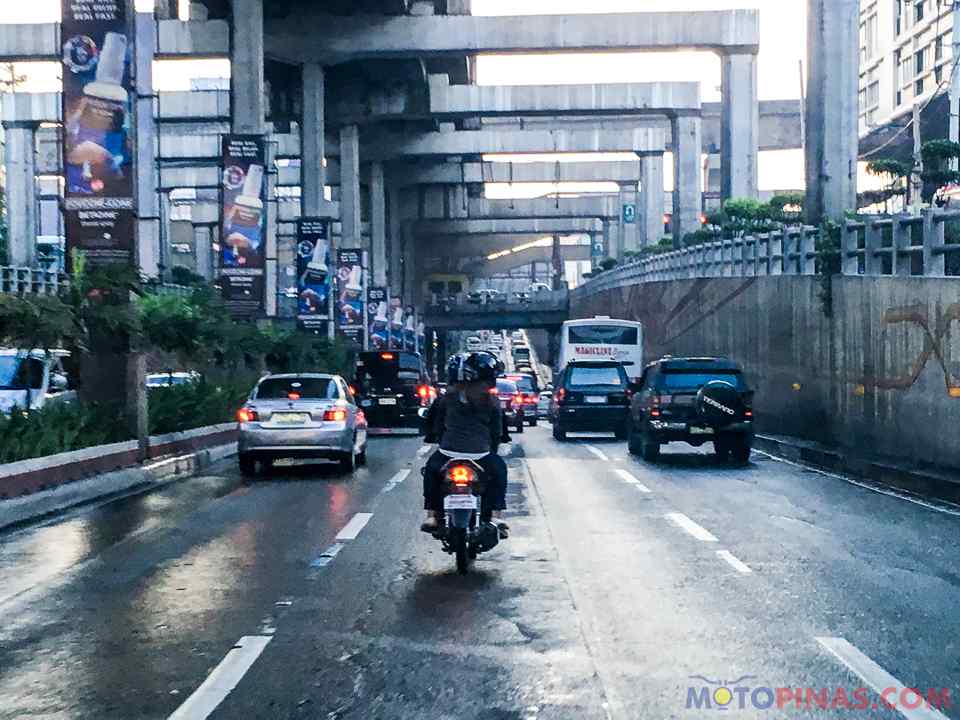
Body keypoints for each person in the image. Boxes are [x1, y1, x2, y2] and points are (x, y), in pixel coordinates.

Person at [421, 352, 510, 537]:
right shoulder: (491, 401)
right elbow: (497, 431)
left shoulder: (444, 399)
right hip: (481, 455)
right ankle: (494, 515)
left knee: (431, 471)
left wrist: (432, 437)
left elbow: (434, 425)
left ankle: (432, 515)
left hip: (447, 453)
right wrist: (495, 445)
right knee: (499, 471)